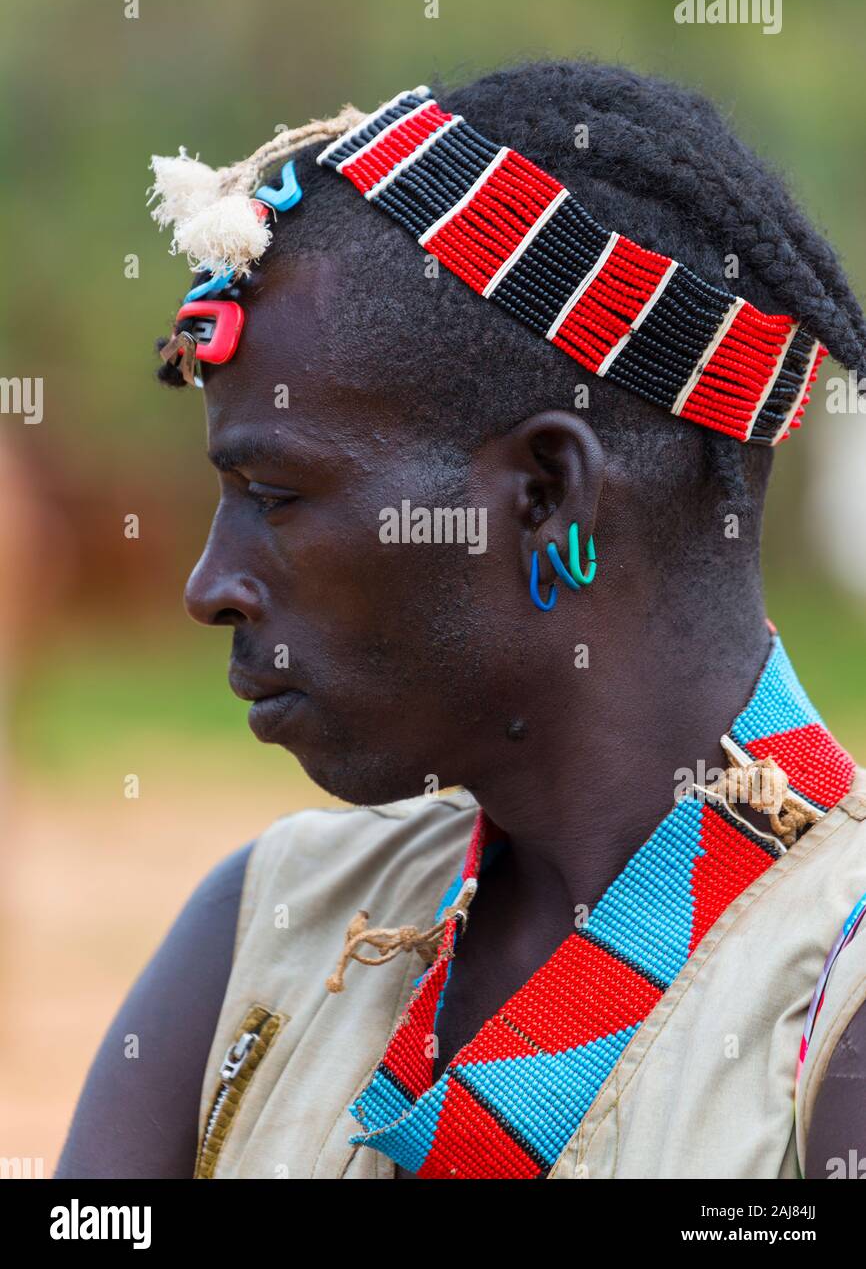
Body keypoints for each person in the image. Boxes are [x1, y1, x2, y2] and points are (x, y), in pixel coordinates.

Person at [56, 60, 866, 1180]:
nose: (210, 587)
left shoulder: (831, 1004)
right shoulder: (269, 923)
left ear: (544, 494)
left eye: (277, 498)